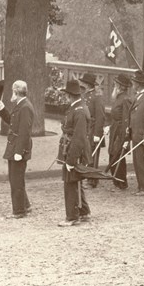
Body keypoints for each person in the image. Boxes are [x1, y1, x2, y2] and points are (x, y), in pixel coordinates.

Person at [58, 78, 92, 227]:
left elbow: (78, 137)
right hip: (72, 148)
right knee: (75, 181)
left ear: (70, 95)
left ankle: (72, 216)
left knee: (70, 182)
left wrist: (71, 160)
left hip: (75, 150)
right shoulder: (77, 107)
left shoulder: (79, 110)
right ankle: (83, 211)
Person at [0, 80, 34, 218]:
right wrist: (2, 110)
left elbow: (24, 131)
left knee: (16, 180)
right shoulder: (21, 105)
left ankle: (19, 211)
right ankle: (25, 205)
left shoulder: (25, 107)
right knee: (15, 178)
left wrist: (19, 152)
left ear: (16, 92)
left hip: (18, 148)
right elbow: (13, 123)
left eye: (12, 91)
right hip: (14, 146)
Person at [106, 74, 133, 190]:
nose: (114, 86)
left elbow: (126, 119)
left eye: (116, 84)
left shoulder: (125, 99)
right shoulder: (119, 97)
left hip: (120, 131)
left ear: (120, 86)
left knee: (118, 155)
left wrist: (125, 137)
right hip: (115, 129)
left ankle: (121, 181)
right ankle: (116, 179)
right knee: (112, 153)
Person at [81, 72, 106, 188]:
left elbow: (100, 116)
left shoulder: (97, 97)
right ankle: (87, 176)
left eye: (84, 83)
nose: (82, 85)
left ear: (88, 84)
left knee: (93, 155)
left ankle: (93, 180)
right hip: (86, 128)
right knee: (86, 154)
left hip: (93, 129)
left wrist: (97, 133)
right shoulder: (85, 95)